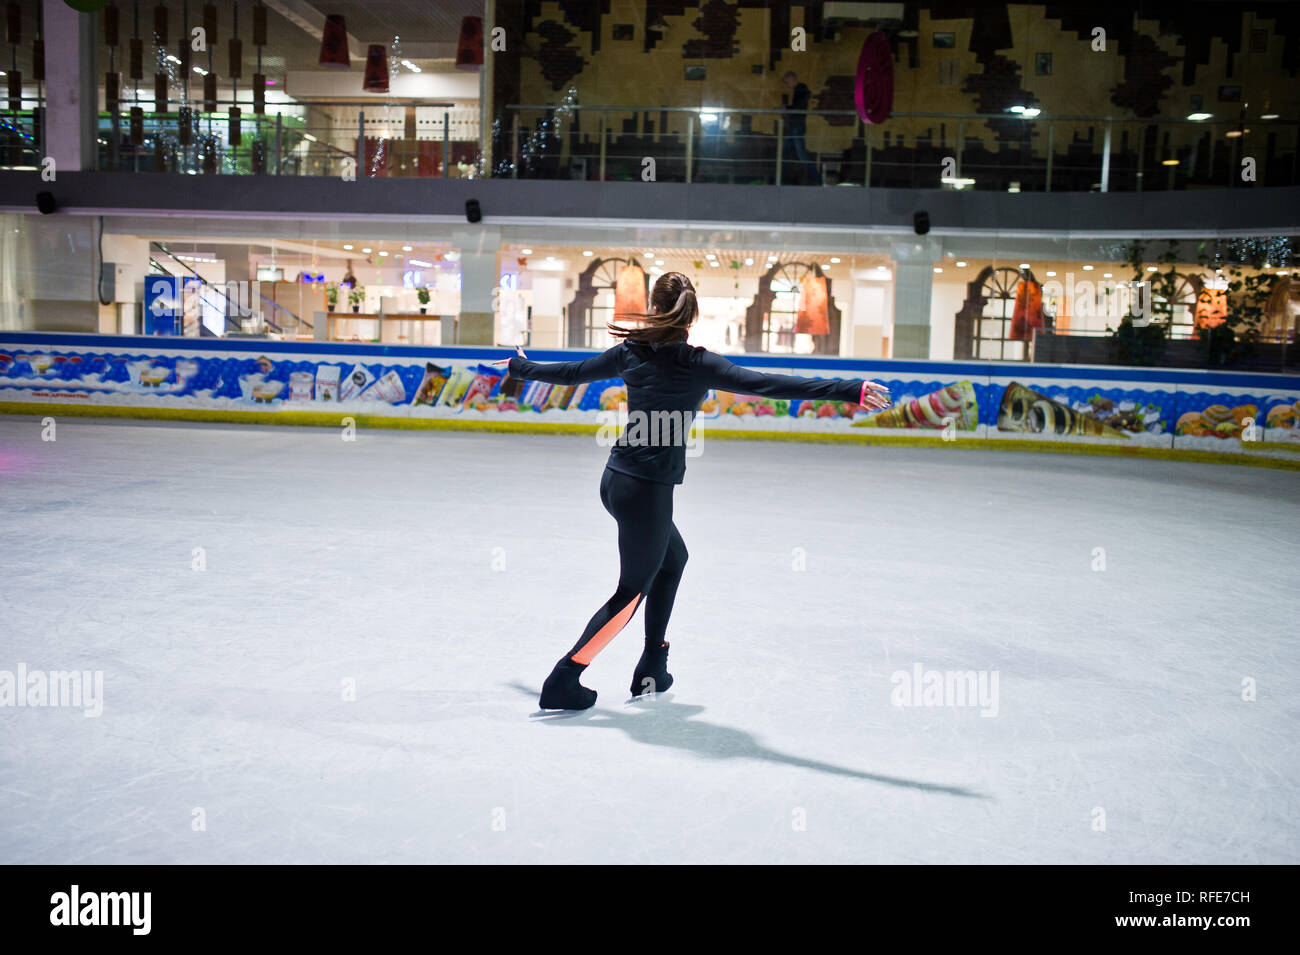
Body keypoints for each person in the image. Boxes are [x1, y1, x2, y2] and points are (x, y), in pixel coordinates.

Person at [497, 272, 890, 710]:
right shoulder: (696, 362)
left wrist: (520, 366)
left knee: (674, 559)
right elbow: (769, 384)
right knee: (631, 593)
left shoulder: (631, 352)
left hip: (616, 480)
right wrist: (849, 389)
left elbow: (571, 373)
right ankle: (564, 679)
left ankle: (652, 666)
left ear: (654, 304)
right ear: (691, 313)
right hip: (646, 490)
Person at [781, 70, 821, 185]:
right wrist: (787, 108)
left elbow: (798, 107)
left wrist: (786, 108)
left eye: (787, 82)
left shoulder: (801, 89)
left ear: (793, 79)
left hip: (797, 125)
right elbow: (798, 106)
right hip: (796, 125)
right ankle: (783, 178)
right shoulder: (801, 89)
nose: (787, 85)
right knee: (786, 151)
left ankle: (818, 180)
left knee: (801, 155)